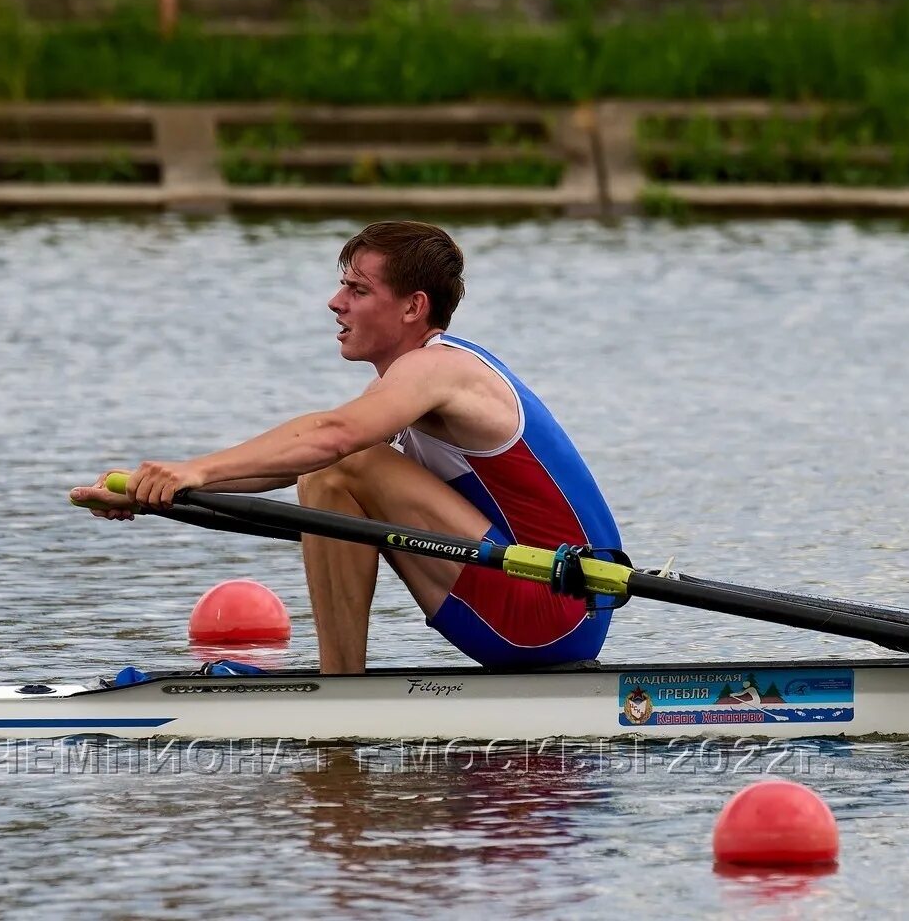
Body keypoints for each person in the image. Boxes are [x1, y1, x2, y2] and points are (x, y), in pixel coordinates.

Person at [70, 221, 621, 673]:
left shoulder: (441, 370)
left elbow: (332, 440)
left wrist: (194, 469)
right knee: (332, 469)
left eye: (358, 290)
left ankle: (338, 687)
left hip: (554, 607)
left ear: (413, 308)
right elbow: (291, 467)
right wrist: (156, 489)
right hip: (530, 604)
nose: (336, 302)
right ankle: (338, 686)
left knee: (345, 462)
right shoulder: (407, 387)